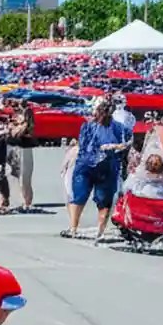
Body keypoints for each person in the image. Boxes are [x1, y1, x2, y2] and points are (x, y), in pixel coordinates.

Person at [64, 100, 130, 243]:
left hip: (94, 165)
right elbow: (126, 144)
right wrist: (114, 148)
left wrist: (114, 147)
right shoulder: (99, 127)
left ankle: (77, 228)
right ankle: (91, 230)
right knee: (90, 198)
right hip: (97, 166)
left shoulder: (94, 126)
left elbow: (85, 147)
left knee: (88, 198)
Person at [8, 98, 37, 210]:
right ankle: (22, 199)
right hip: (17, 146)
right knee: (16, 173)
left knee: (24, 176)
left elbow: (23, 130)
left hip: (24, 146)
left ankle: (27, 201)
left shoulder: (27, 115)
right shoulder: (15, 117)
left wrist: (17, 129)